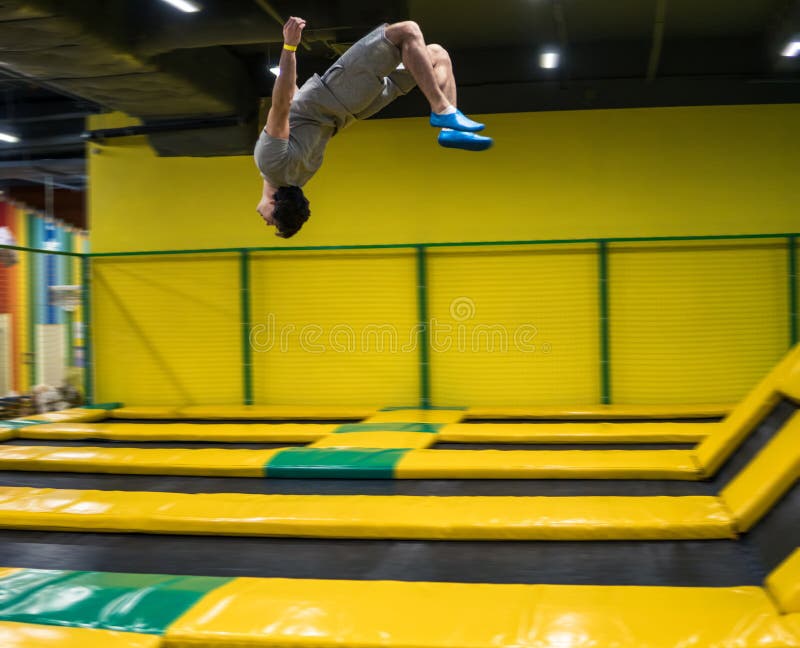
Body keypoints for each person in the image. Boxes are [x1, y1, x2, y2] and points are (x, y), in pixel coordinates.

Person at [254, 17, 493, 238]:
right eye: (273, 222)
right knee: (406, 31)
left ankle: (451, 129)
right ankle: (443, 111)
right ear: (276, 204)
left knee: (436, 55)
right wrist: (289, 48)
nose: (266, 223)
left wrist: (290, 75)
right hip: (341, 91)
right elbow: (282, 104)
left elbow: (293, 105)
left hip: (359, 107)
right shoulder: (270, 163)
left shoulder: (299, 178)